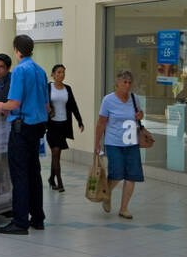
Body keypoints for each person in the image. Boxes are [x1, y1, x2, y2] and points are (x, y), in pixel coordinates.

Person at [0, 35, 48, 235]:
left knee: (20, 174)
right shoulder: (40, 71)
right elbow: (46, 105)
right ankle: (38, 218)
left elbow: (14, 103)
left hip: (21, 127)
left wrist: (0, 105)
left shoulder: (20, 71)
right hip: (37, 127)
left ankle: (20, 221)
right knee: (34, 172)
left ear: (16, 50)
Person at [94, 69, 145, 219]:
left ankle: (124, 208)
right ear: (117, 83)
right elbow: (101, 122)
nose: (127, 85)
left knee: (131, 176)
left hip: (132, 143)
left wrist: (140, 115)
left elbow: (140, 114)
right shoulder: (108, 100)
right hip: (114, 142)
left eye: (129, 82)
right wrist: (97, 143)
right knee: (116, 173)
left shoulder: (135, 99)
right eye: (124, 82)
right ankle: (107, 194)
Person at [45, 64, 84, 192]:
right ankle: (60, 181)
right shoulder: (48, 87)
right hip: (52, 125)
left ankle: (51, 178)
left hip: (63, 125)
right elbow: (42, 102)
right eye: (59, 72)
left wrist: (79, 121)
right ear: (53, 74)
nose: (61, 74)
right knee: (55, 152)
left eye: (63, 72)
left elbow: (73, 105)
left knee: (57, 155)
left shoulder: (67, 88)